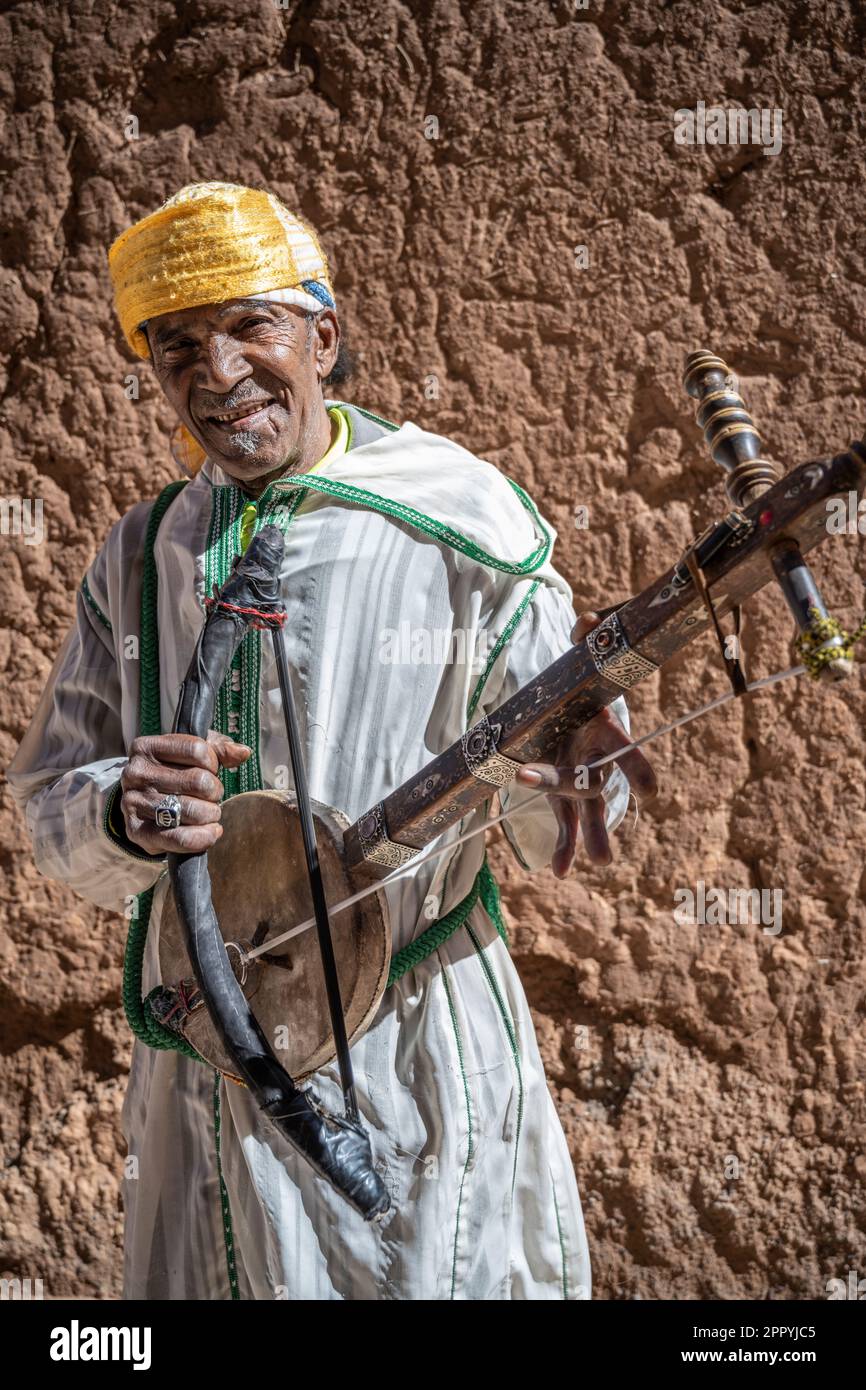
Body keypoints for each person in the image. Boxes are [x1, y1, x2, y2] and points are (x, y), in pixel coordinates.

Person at [7, 181, 657, 1300]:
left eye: (249, 326)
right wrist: (121, 805)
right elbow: (52, 795)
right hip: (210, 1064)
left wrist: (578, 768)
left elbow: (564, 809)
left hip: (401, 1047)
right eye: (175, 348)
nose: (217, 375)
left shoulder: (460, 521)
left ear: (324, 333)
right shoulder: (141, 553)